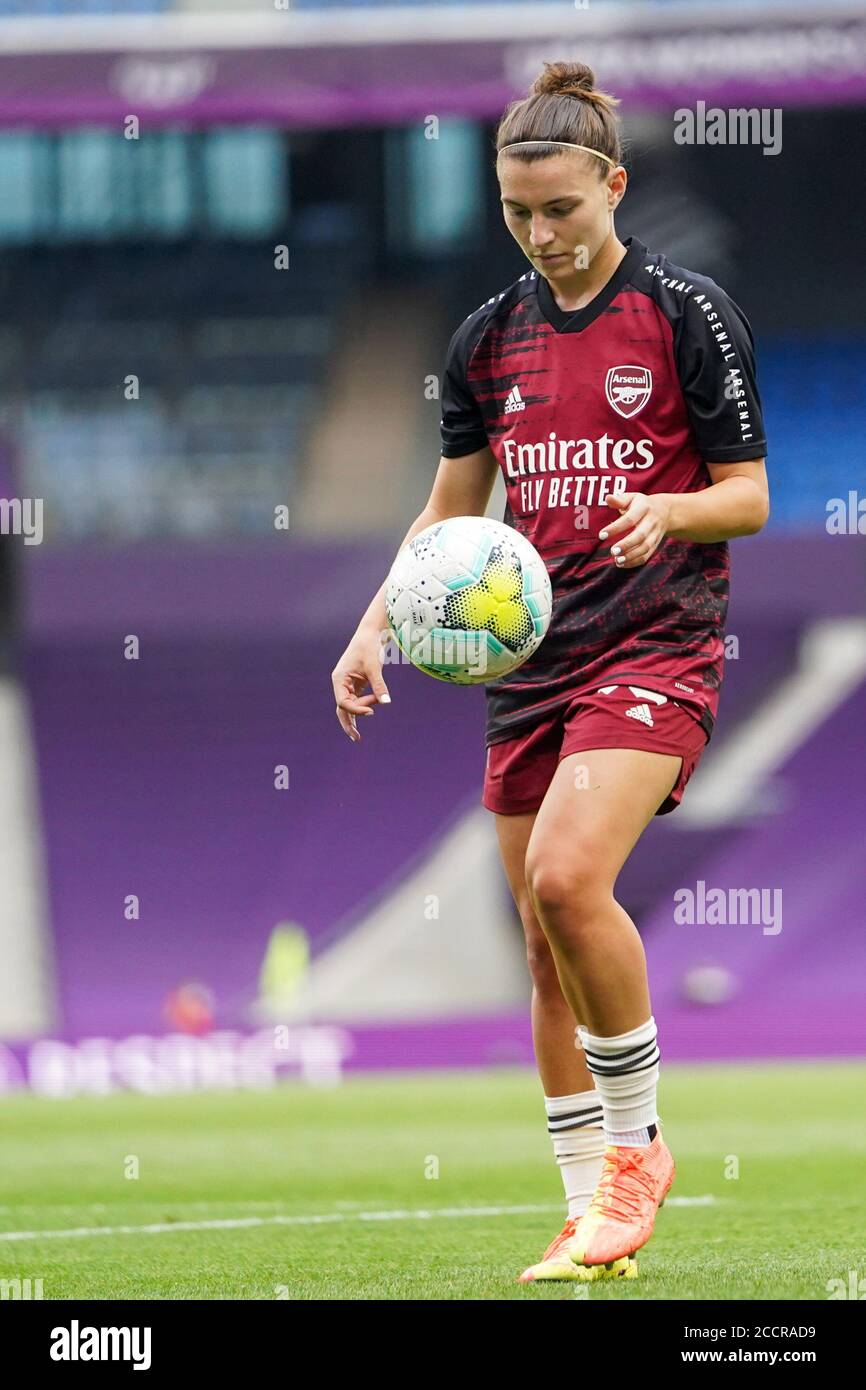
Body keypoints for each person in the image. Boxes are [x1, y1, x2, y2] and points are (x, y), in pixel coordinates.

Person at [331, 60, 768, 1283]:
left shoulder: (685, 313)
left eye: (562, 210)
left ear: (611, 185)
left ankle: (638, 1155)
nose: (541, 234)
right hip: (530, 662)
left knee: (572, 882)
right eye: (518, 213)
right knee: (538, 937)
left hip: (655, 642)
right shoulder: (484, 341)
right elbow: (450, 509)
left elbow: (749, 495)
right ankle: (589, 1210)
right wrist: (372, 625)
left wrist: (666, 515)